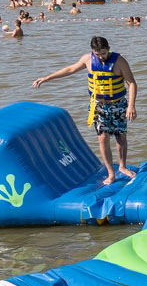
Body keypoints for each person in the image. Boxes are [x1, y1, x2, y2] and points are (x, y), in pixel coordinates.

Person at [32, 36, 138, 184]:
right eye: (98, 54)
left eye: (103, 53)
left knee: (121, 137)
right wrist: (47, 78)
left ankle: (122, 167)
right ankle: (110, 173)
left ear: (108, 48)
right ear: (93, 51)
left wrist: (131, 105)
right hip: (98, 106)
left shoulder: (120, 61)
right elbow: (69, 69)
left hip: (118, 104)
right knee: (102, 138)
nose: (101, 57)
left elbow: (131, 83)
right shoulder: (88, 59)